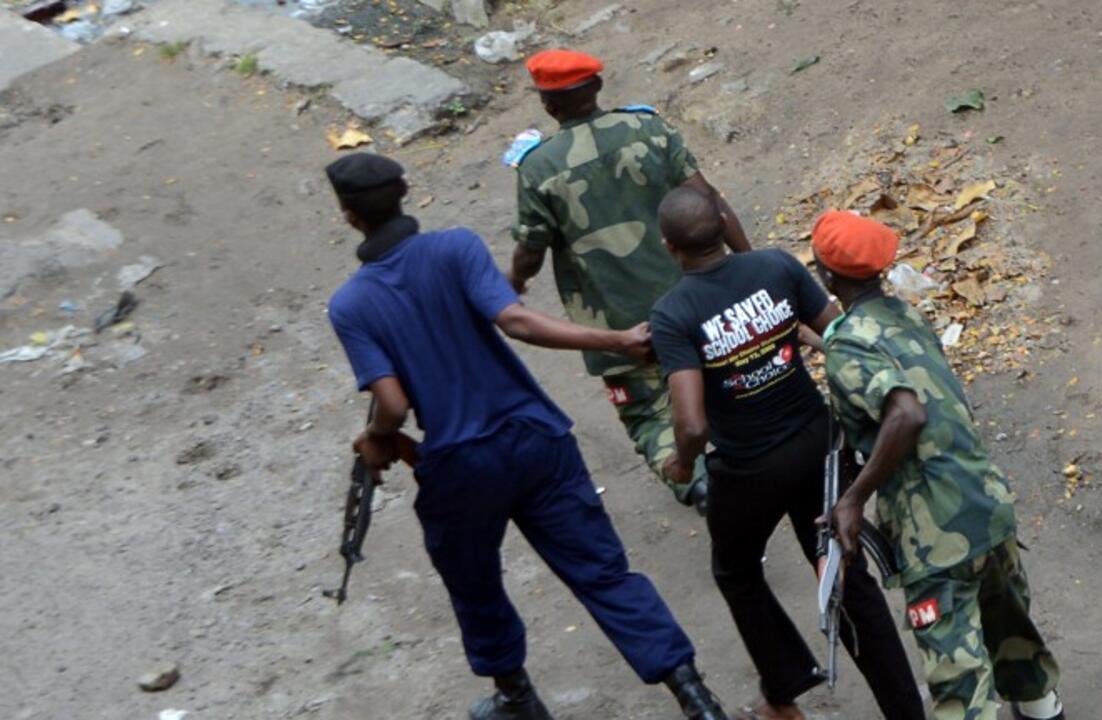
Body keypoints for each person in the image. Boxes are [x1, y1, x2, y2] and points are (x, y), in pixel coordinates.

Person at [323, 153, 729, 720]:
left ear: (347, 216)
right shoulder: (458, 247)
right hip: (537, 438)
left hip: (460, 467)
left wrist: (375, 437)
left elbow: (391, 403)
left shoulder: (351, 304)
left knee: (474, 582)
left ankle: (516, 696)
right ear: (406, 192)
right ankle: (694, 695)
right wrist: (613, 340)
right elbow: (515, 321)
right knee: (604, 572)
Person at [648, 188, 927, 720]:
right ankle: (905, 712)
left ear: (669, 247)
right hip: (818, 445)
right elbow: (839, 333)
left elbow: (691, 423)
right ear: (724, 223)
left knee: (735, 570)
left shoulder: (673, 312)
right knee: (845, 576)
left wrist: (683, 463)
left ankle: (784, 689)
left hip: (748, 469)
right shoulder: (775, 265)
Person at [812, 210, 1065, 720]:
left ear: (826, 276)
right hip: (984, 499)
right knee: (1006, 619)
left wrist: (854, 498)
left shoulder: (846, 348)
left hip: (934, 528)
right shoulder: (904, 315)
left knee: (957, 673)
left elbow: (906, 412)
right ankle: (1043, 707)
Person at [507, 48, 753, 515]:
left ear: (547, 104)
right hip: (696, 299)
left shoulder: (538, 168)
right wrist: (749, 266)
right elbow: (709, 200)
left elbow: (530, 252)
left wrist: (512, 282)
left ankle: (698, 485)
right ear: (597, 88)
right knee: (722, 378)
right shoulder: (650, 128)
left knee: (648, 412)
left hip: (618, 327)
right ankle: (745, 459)